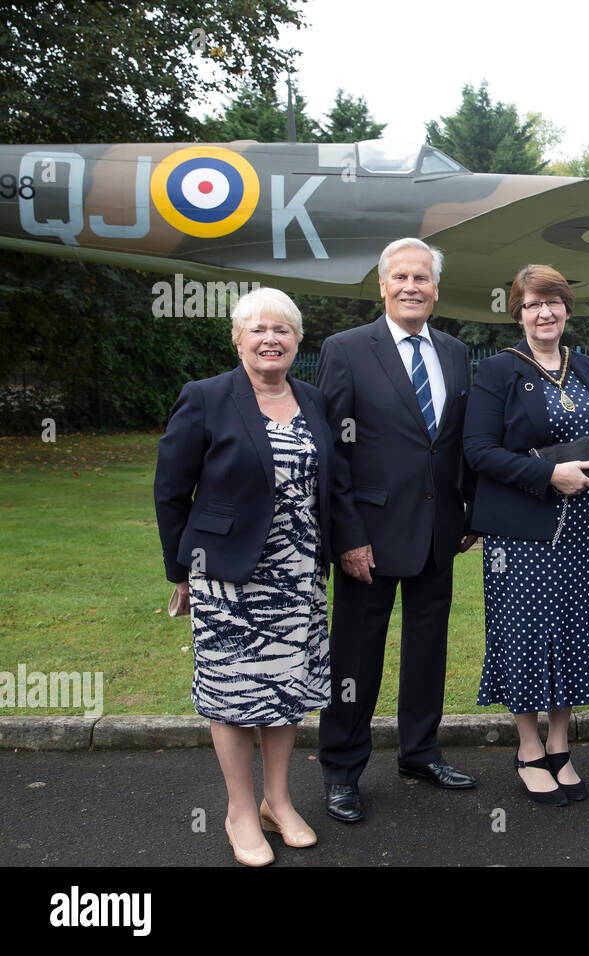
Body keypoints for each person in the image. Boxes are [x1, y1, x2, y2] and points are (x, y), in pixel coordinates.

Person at [155, 287, 335, 866]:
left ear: (297, 341)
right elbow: (170, 490)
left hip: (299, 573)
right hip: (228, 578)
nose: (270, 339)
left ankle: (277, 802)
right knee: (232, 692)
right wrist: (181, 570)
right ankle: (238, 811)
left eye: (282, 330)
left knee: (285, 691)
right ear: (238, 339)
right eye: (258, 329)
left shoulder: (312, 398)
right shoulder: (206, 398)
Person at [316, 238, 478, 824]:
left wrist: (470, 513)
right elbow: (332, 453)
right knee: (356, 657)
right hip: (369, 536)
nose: (412, 286)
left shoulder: (456, 353)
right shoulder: (347, 349)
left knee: (427, 650)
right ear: (382, 286)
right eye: (400, 277)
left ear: (436, 289)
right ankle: (341, 769)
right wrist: (346, 536)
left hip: (439, 529)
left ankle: (420, 752)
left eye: (422, 278)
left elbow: (461, 443)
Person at [463, 264, 589, 805]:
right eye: (532, 304)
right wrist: (548, 474)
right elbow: (478, 450)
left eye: (553, 301)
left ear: (567, 307)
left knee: (574, 632)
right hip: (524, 533)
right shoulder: (498, 371)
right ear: (518, 312)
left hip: (584, 530)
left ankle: (560, 743)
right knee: (527, 635)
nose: (544, 312)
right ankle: (527, 747)